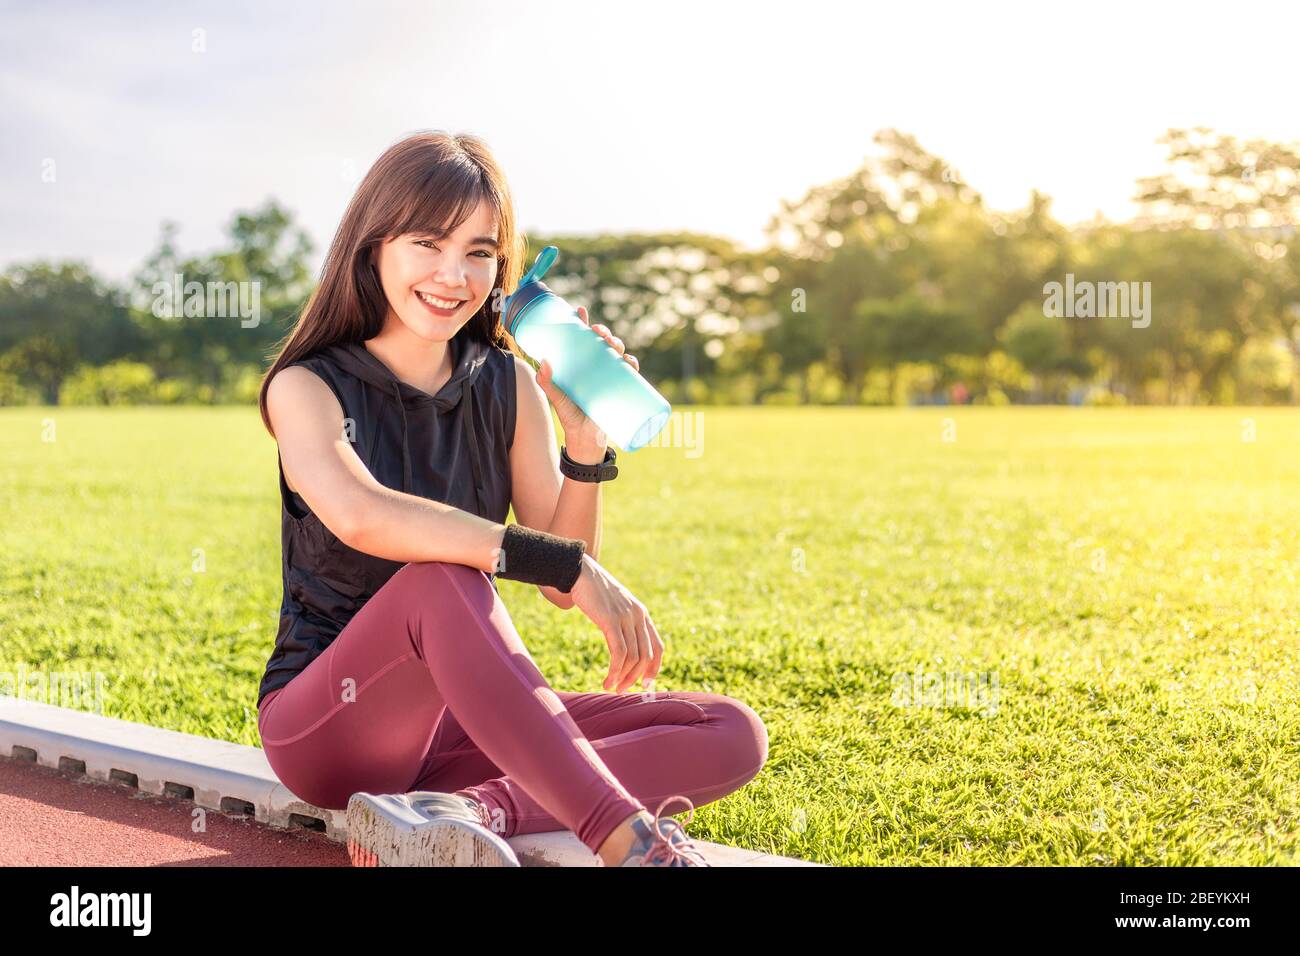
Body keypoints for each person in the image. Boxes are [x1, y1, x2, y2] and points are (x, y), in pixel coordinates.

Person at [253, 130, 768, 867]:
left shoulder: (507, 383)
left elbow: (565, 571)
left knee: (726, 729)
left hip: (455, 731)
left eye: (479, 251)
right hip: (331, 723)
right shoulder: (305, 386)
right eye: (426, 244)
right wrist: (556, 564)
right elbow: (364, 514)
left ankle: (466, 809)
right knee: (440, 577)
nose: (452, 274)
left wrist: (584, 446)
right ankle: (633, 845)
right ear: (374, 247)